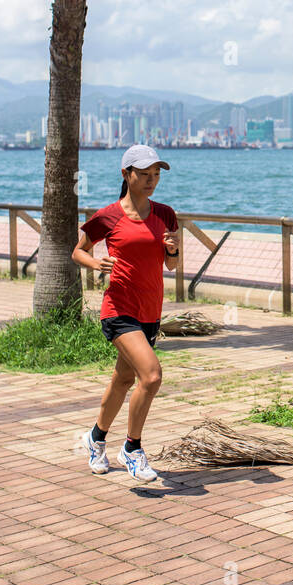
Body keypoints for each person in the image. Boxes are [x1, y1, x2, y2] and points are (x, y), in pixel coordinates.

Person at [70, 145, 180, 483]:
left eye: (156, 174)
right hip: (118, 310)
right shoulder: (108, 216)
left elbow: (171, 265)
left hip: (150, 311)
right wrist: (95, 262)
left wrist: (172, 250)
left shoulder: (165, 214)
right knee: (152, 376)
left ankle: (95, 438)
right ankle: (132, 449)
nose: (151, 181)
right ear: (126, 175)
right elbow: (77, 250)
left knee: (123, 379)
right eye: (145, 174)